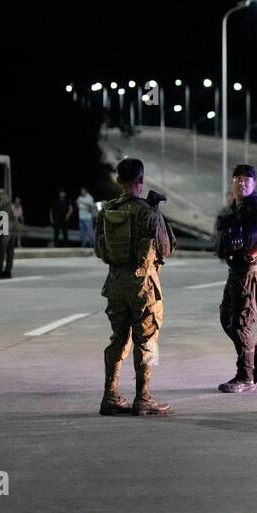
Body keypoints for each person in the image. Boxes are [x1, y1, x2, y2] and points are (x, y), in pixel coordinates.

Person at [93, 158, 175, 416]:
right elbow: (166, 248)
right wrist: (157, 212)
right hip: (143, 287)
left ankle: (110, 396)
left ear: (119, 181)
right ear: (141, 181)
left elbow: (98, 249)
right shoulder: (148, 212)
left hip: (115, 284)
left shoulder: (106, 211)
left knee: (118, 339)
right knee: (147, 341)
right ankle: (143, 397)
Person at [216, 164, 257, 393]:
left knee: (241, 323)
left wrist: (254, 252)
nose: (242, 183)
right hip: (236, 270)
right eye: (238, 178)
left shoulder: (255, 205)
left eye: (247, 179)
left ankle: (246, 376)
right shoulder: (237, 205)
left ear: (254, 184)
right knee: (227, 318)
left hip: (248, 271)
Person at [0, 188, 16, 278]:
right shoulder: (9, 204)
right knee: (10, 251)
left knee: (1, 250)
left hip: (3, 227)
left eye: (0, 193)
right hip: (11, 228)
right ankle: (8, 271)